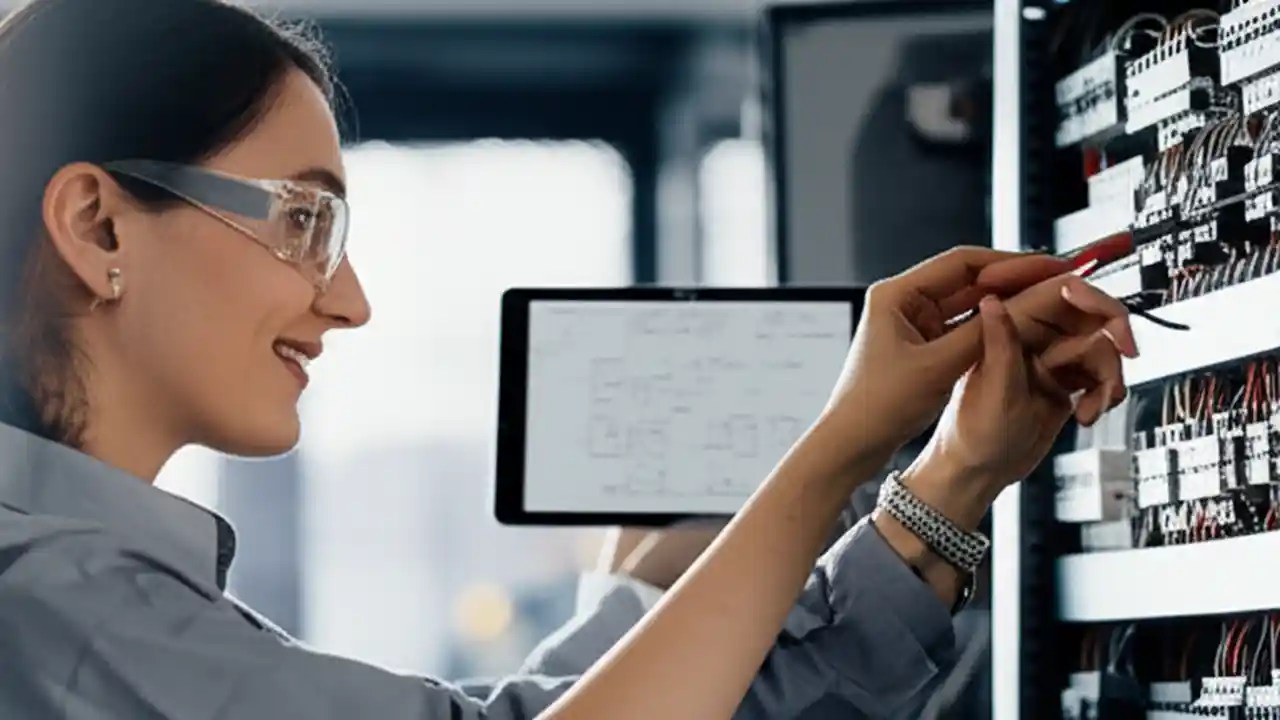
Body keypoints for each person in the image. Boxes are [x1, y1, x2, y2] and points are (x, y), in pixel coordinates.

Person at [0, 1, 1136, 718]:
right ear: (99, 227)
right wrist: (837, 448)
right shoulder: (60, 610)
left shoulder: (84, 608)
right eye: (304, 220)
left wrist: (945, 485)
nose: (348, 302)